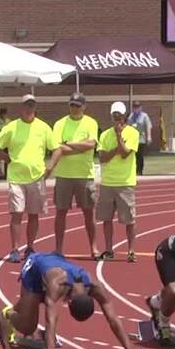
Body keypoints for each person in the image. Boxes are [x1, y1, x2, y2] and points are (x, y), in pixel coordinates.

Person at [3, 251, 142, 349]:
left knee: (33, 307)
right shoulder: (58, 284)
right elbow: (51, 320)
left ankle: (23, 307)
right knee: (28, 328)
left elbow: (113, 319)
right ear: (69, 301)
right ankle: (7, 313)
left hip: (55, 261)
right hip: (34, 267)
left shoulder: (96, 286)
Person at [0, 94, 69, 263]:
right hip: (16, 177)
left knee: (33, 215)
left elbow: (57, 149)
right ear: (21, 107)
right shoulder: (11, 127)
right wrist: (7, 158)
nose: (29, 109)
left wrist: (50, 166)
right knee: (17, 213)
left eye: (32, 106)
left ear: (35, 108)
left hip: (36, 177)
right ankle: (14, 249)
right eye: (26, 105)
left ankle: (30, 246)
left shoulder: (44, 128)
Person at [46, 92, 101, 260]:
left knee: (88, 213)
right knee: (61, 212)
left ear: (84, 106)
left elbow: (90, 145)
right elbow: (57, 148)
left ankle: (94, 247)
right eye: (72, 105)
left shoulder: (91, 122)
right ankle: (58, 248)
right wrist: (79, 146)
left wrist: (68, 144)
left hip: (85, 175)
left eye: (77, 105)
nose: (74, 108)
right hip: (64, 175)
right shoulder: (60, 124)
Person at [96, 102, 141, 262]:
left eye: (119, 116)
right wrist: (115, 149)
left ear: (125, 116)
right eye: (114, 116)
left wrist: (118, 137)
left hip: (125, 183)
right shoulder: (104, 135)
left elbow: (124, 154)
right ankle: (108, 250)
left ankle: (131, 250)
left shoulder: (133, 133)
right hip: (108, 182)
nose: (117, 119)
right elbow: (102, 158)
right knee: (106, 219)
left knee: (129, 220)